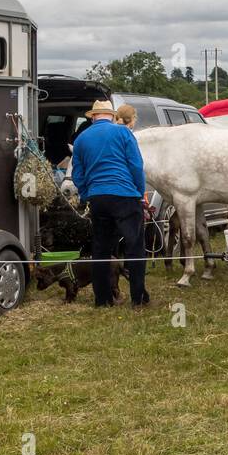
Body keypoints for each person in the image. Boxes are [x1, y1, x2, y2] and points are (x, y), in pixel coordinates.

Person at [71, 100, 149, 308]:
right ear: (111, 116)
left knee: (101, 249)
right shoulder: (123, 133)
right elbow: (136, 165)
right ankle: (138, 298)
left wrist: (88, 193)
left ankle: (102, 299)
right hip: (124, 195)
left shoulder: (81, 139)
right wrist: (140, 192)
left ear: (93, 116)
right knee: (134, 247)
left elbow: (77, 174)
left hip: (98, 198)